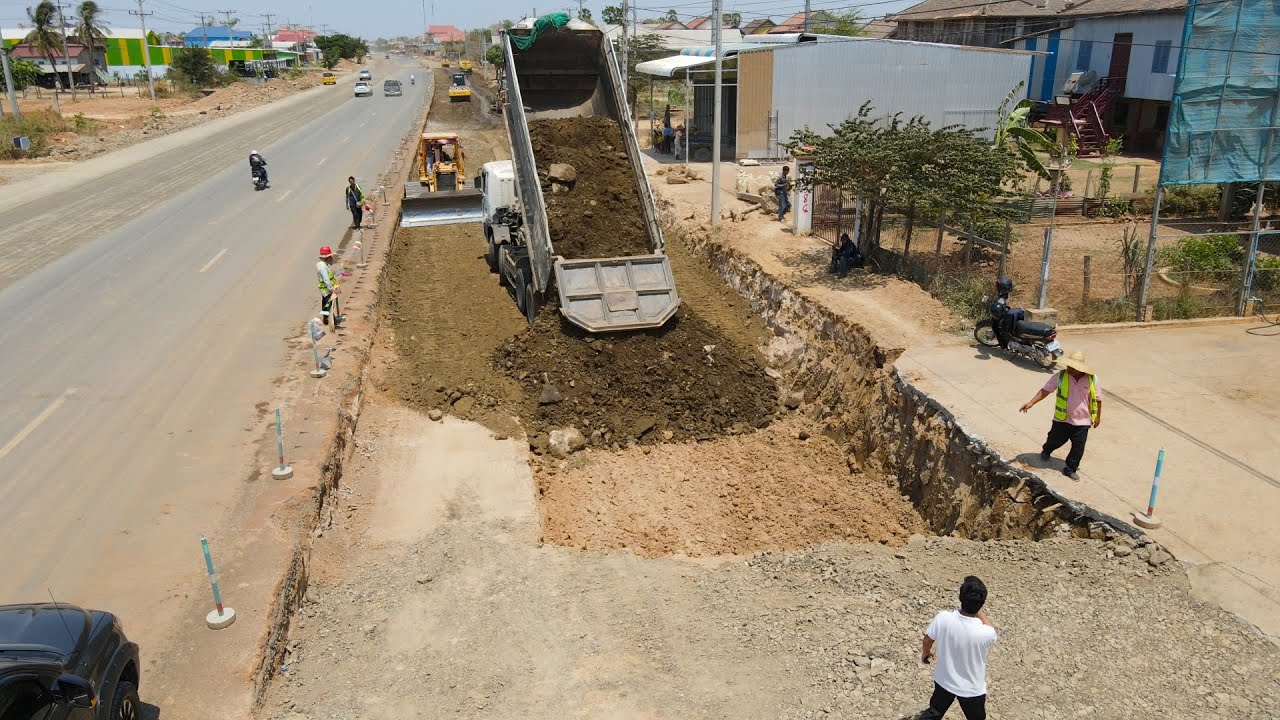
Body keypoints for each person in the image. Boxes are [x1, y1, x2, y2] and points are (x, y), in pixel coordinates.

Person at [916, 576, 998, 720]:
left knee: (934, 712)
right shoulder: (986, 633)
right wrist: (978, 609)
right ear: (982, 603)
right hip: (971, 689)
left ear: (960, 597)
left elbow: (928, 639)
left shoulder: (943, 618)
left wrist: (926, 653)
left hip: (944, 681)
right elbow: (990, 628)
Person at [1019, 351, 1101, 481]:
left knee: (1078, 447)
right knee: (1055, 440)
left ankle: (1070, 469)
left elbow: (1097, 399)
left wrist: (1097, 417)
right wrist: (1031, 403)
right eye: (1069, 366)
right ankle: (1047, 450)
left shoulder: (1092, 379)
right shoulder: (1060, 377)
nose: (1070, 370)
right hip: (1062, 418)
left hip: (1082, 421)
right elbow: (1045, 390)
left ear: (1080, 369)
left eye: (1073, 368)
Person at [316, 245, 343, 328]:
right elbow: (326, 280)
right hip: (326, 290)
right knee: (329, 305)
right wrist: (332, 290)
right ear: (326, 257)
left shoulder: (323, 265)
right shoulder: (322, 267)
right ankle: (332, 321)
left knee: (325, 304)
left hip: (326, 289)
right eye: (330, 256)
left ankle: (325, 320)